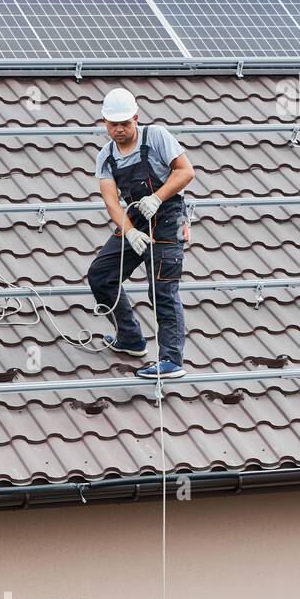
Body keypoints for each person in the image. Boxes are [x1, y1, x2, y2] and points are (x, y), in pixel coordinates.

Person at [87, 88, 194, 380]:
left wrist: (158, 197)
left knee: (161, 289)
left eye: (124, 123)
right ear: (105, 123)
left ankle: (171, 359)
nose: (119, 129)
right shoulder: (106, 156)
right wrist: (130, 232)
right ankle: (130, 338)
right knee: (101, 275)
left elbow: (185, 171)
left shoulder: (156, 137)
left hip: (167, 217)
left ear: (136, 118)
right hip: (136, 219)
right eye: (112, 124)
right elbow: (111, 201)